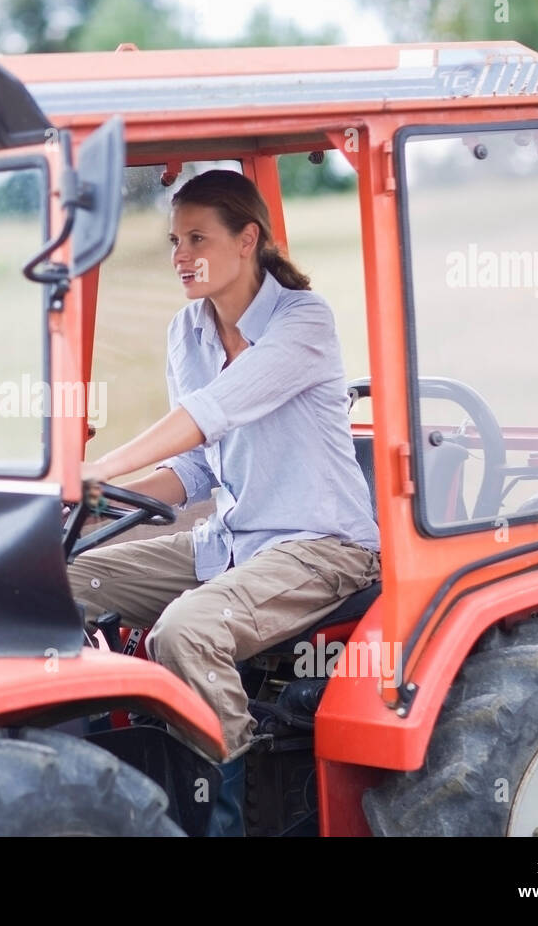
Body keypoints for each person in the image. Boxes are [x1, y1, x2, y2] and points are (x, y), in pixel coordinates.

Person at [68, 169, 381, 836]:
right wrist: (95, 498)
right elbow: (192, 469)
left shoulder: (304, 320)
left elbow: (214, 411)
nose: (179, 255)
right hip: (231, 540)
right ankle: (99, 783)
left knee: (189, 629)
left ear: (248, 240)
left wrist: (103, 464)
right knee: (63, 584)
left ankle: (225, 817)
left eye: (197, 238)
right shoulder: (188, 331)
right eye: (175, 239)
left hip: (323, 545)